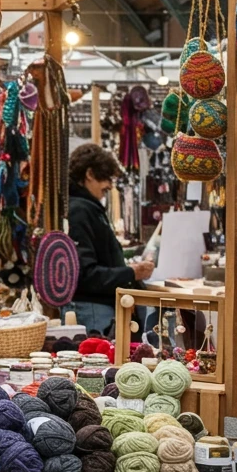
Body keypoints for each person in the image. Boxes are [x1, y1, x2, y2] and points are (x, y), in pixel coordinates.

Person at [66, 142, 154, 336]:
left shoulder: (87, 208)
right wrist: (130, 273)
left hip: (96, 309)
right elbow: (85, 275)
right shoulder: (80, 211)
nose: (108, 187)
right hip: (93, 311)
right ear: (89, 174)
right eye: (106, 181)